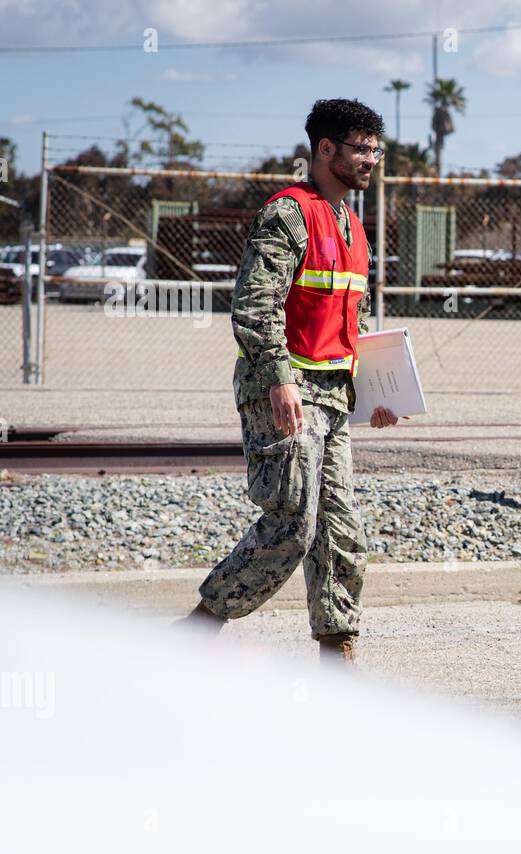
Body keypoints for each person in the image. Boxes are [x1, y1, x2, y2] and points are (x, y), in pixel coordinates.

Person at [180, 98, 400, 664]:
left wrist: (375, 390)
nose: (371, 160)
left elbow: (356, 319)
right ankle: (197, 629)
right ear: (325, 150)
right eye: (361, 148)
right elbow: (255, 306)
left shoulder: (354, 224)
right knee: (290, 526)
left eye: (377, 149)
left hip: (335, 396)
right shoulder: (288, 215)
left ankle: (337, 653)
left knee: (341, 531)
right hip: (289, 392)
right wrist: (279, 380)